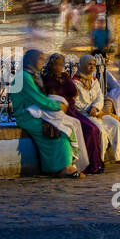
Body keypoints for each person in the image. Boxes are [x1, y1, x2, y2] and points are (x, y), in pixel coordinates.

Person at [10, 50, 83, 178]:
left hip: (35, 113)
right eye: (39, 59)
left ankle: (64, 166)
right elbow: (37, 98)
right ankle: (61, 168)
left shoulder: (31, 75)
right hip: (26, 116)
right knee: (55, 132)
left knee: (63, 130)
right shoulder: (24, 77)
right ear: (31, 60)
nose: (42, 62)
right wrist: (56, 106)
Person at [42, 52, 105, 174]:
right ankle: (86, 164)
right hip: (61, 111)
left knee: (94, 129)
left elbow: (74, 93)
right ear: (51, 64)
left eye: (61, 64)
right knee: (89, 129)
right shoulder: (46, 79)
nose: (59, 66)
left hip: (72, 109)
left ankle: (95, 163)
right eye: (57, 64)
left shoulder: (65, 76)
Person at [74, 54, 120, 163]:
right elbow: (76, 102)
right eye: (89, 64)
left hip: (97, 112)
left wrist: (96, 107)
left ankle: (118, 155)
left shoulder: (94, 81)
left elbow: (100, 97)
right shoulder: (75, 82)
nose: (92, 67)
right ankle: (100, 159)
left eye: (94, 65)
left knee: (116, 124)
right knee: (101, 130)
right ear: (83, 65)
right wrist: (90, 109)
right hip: (85, 114)